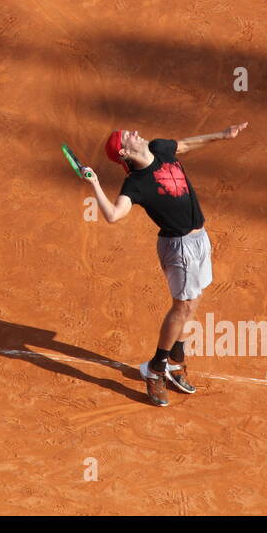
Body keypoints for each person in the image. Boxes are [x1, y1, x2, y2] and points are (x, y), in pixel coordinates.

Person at [81, 123, 248, 406]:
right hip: (179, 248)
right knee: (182, 306)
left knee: (193, 303)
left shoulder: (160, 148)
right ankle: (156, 368)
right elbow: (113, 215)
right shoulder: (136, 183)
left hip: (200, 239)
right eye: (127, 136)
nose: (134, 132)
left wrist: (222, 135)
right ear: (124, 151)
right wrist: (95, 183)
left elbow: (183, 145)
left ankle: (174, 360)